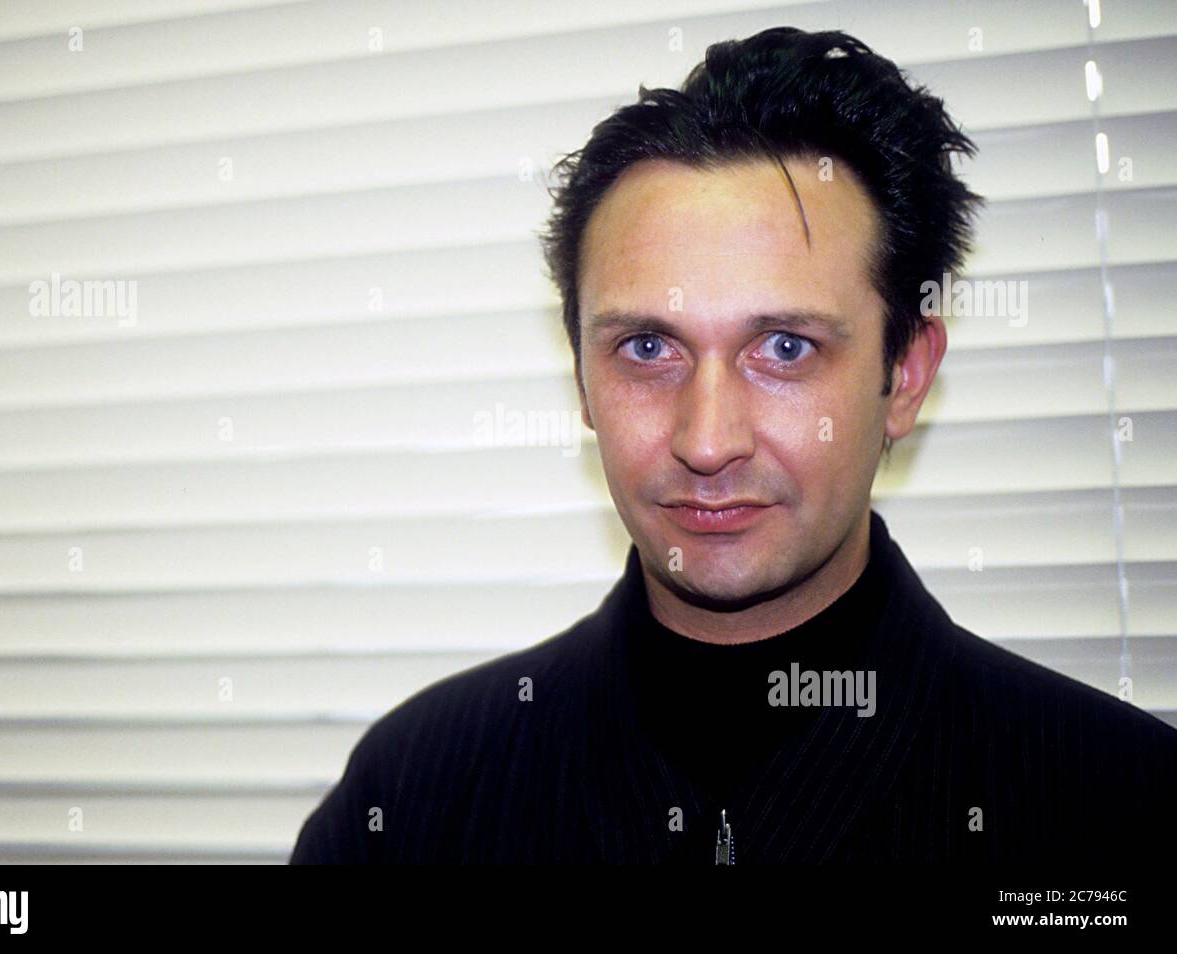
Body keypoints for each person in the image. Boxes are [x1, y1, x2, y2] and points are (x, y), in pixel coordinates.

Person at [290, 26, 1176, 864]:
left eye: (785, 349)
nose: (707, 442)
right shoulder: (415, 800)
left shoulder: (1119, 809)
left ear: (904, 374)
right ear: (582, 379)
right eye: (647, 348)